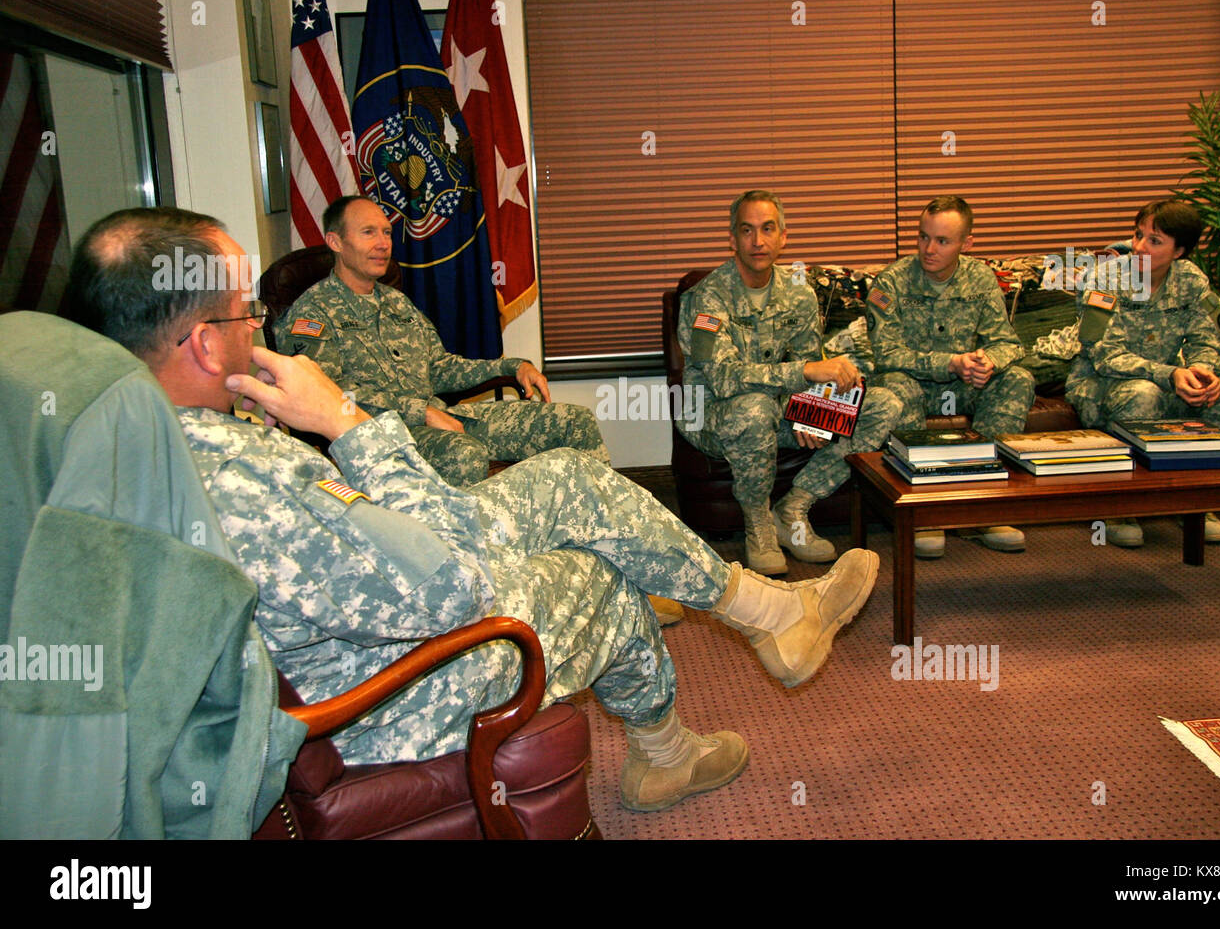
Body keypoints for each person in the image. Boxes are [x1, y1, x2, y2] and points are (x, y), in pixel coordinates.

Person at [62, 206, 880, 813]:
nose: (258, 329)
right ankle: (699, 706)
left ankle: (762, 615)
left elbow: (392, 503)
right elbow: (452, 586)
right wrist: (348, 424)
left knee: (566, 472)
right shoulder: (232, 484)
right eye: (244, 315)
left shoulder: (164, 437)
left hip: (388, 600)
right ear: (204, 345)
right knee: (597, 565)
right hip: (393, 690)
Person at [273, 195, 609, 489]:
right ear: (335, 242)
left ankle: (600, 529)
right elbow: (329, 393)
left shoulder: (397, 303)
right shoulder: (313, 314)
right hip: (380, 437)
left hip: (441, 418)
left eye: (387, 232)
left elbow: (440, 367)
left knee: (572, 421)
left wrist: (513, 365)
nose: (383, 243)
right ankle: (478, 555)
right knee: (465, 454)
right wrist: (422, 413)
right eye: (368, 232)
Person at [676, 189, 904, 575]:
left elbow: (807, 365)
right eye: (746, 231)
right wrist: (806, 374)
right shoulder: (707, 298)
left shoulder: (798, 294)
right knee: (754, 406)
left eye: (768, 229)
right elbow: (723, 379)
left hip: (776, 408)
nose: (757, 241)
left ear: (784, 237)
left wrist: (812, 410)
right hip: (711, 416)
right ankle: (759, 524)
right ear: (732, 239)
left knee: (884, 405)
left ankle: (794, 506)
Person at [1065, 199, 1220, 546]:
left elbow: (1211, 339)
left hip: (1165, 383)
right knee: (1141, 392)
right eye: (1138, 235)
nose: (1140, 246)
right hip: (1100, 384)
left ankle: (1196, 502)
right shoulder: (1105, 276)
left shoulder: (1191, 281)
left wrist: (1202, 370)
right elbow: (1102, 352)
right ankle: (1119, 507)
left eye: (1155, 240)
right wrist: (1170, 374)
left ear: (1180, 251)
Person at [868, 196, 1035, 559]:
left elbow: (1007, 342)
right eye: (923, 237)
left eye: (942, 241)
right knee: (895, 386)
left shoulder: (980, 277)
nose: (929, 249)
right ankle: (925, 513)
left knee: (1017, 379)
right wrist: (949, 362)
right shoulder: (891, 282)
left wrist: (987, 361)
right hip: (914, 383)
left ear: (966, 243)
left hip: (964, 386)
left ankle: (984, 508)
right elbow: (886, 355)